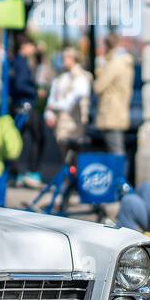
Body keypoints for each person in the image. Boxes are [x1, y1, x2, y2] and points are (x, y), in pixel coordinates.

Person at [8, 34, 41, 187]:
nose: (33, 49)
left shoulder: (17, 62)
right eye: (31, 46)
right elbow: (20, 85)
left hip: (20, 105)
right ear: (25, 46)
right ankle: (28, 173)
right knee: (37, 138)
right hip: (24, 106)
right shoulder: (21, 63)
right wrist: (34, 90)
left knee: (19, 139)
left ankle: (16, 173)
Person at [94, 32, 134, 156]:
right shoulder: (124, 61)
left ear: (108, 46)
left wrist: (100, 68)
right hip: (119, 110)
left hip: (111, 112)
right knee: (117, 149)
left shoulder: (114, 63)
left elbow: (98, 86)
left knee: (116, 151)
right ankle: (120, 174)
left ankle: (119, 175)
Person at [45, 47, 91, 149]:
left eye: (65, 58)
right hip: (62, 123)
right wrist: (49, 114)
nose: (63, 60)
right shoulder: (62, 77)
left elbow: (69, 103)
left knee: (73, 157)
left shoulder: (81, 77)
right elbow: (53, 97)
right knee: (65, 154)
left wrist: (53, 107)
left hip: (75, 125)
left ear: (73, 58)